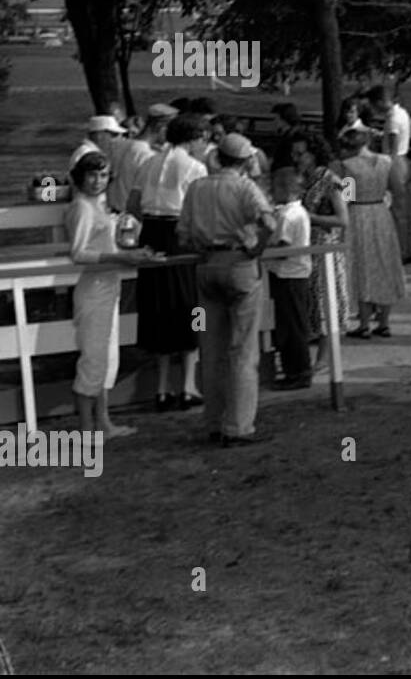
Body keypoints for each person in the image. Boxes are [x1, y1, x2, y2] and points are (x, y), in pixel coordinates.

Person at [177, 133, 276, 446]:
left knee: (211, 347)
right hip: (240, 266)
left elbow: (183, 234)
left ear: (218, 157)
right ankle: (239, 425)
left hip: (207, 268)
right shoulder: (246, 187)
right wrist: (256, 248)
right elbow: (270, 224)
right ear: (246, 160)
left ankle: (214, 421)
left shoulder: (196, 188)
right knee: (243, 351)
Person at [66, 152, 153, 438]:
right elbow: (78, 253)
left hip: (109, 287)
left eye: (103, 175)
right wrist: (119, 259)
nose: (97, 181)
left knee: (105, 358)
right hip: (93, 290)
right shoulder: (82, 207)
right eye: (92, 175)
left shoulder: (100, 206)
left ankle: (102, 422)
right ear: (81, 177)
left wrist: (130, 254)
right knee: (92, 358)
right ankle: (87, 428)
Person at [128, 112, 210, 411]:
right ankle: (187, 385)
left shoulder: (149, 162)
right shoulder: (195, 167)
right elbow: (199, 208)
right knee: (190, 306)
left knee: (158, 307)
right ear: (194, 138)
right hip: (178, 235)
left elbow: (132, 205)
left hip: (151, 232)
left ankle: (162, 389)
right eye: (203, 138)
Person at [338, 124, 407, 338]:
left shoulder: (348, 166)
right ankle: (384, 321)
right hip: (380, 212)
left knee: (362, 264)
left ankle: (364, 322)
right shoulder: (386, 162)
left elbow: (347, 196)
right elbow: (398, 188)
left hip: (358, 213)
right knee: (384, 263)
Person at [292, 131, 352, 359]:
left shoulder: (331, 181)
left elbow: (342, 219)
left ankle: (325, 357)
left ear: (314, 154)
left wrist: (309, 217)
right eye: (294, 154)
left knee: (326, 302)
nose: (296, 158)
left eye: (301, 154)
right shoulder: (300, 179)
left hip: (324, 249)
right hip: (304, 248)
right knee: (309, 304)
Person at [267, 168, 314, 390]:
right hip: (292, 273)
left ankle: (299, 371)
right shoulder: (295, 212)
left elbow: (283, 246)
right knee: (288, 324)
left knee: (292, 325)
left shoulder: (288, 215)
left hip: (288, 274)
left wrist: (263, 249)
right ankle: (293, 369)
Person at [367, 84, 411, 264]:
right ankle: (409, 248)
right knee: (407, 210)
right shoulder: (402, 112)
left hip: (395, 162)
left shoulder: (393, 119)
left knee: (398, 209)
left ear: (380, 102)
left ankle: (401, 251)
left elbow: (393, 148)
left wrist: (386, 167)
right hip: (404, 159)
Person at [109, 103, 175, 213]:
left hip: (112, 212)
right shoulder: (148, 156)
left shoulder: (119, 145)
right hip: (130, 217)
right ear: (161, 128)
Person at [270, 102, 305, 170]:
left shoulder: (295, 138)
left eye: (276, 118)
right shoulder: (285, 135)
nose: (274, 121)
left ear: (284, 119)